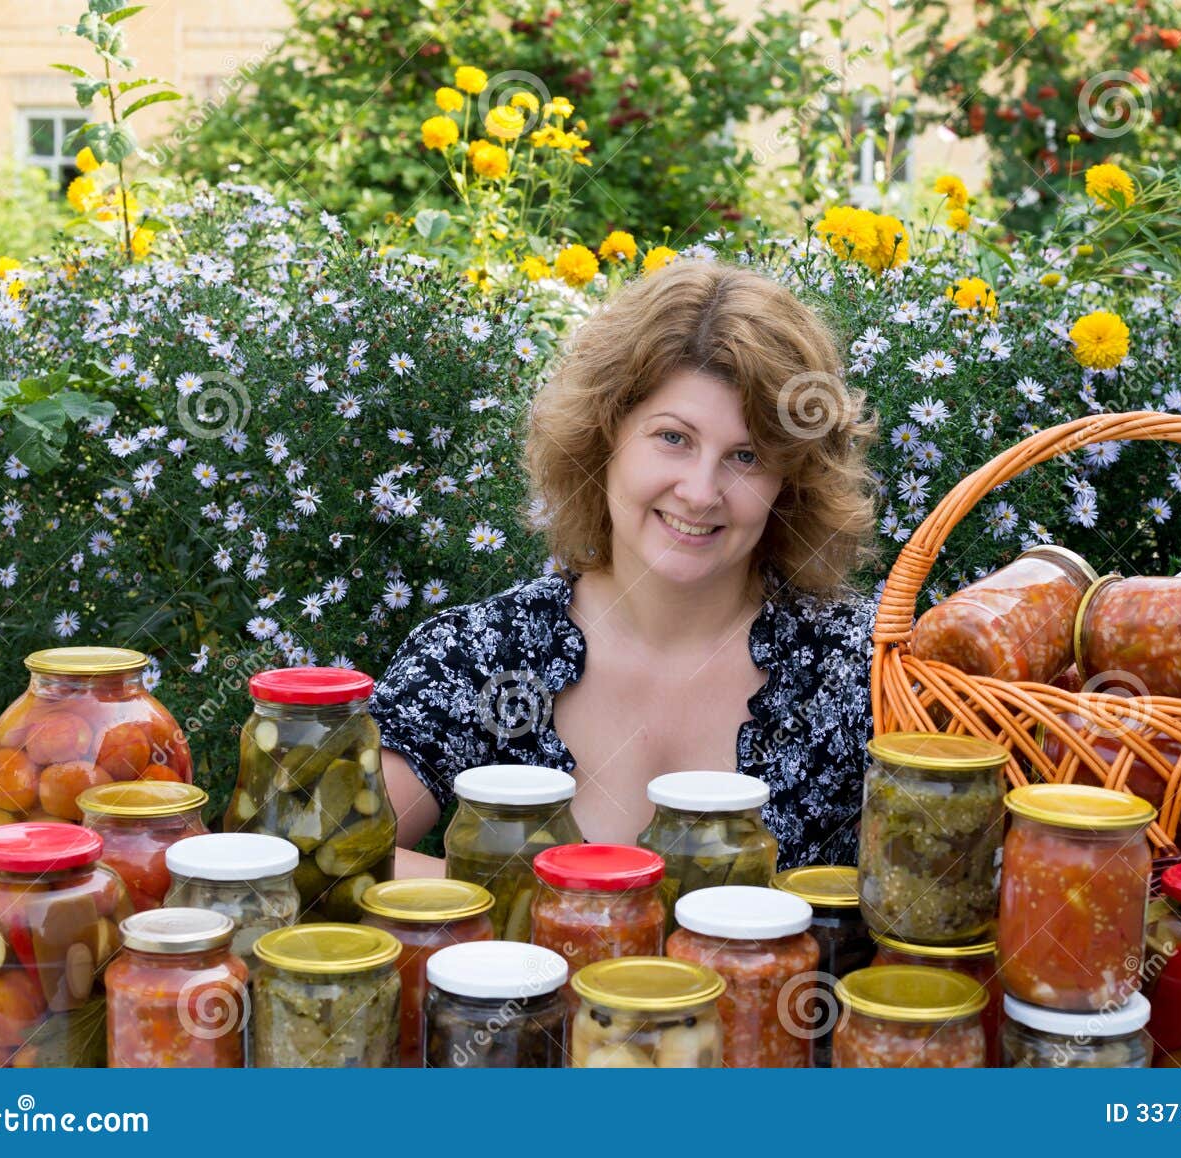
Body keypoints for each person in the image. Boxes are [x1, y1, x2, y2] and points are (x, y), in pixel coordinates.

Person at [370, 257, 879, 877]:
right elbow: (330, 859)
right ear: (604, 436)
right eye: (673, 437)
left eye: (745, 455)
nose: (700, 491)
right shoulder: (482, 655)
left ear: (790, 481)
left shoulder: (862, 668)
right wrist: (517, 902)